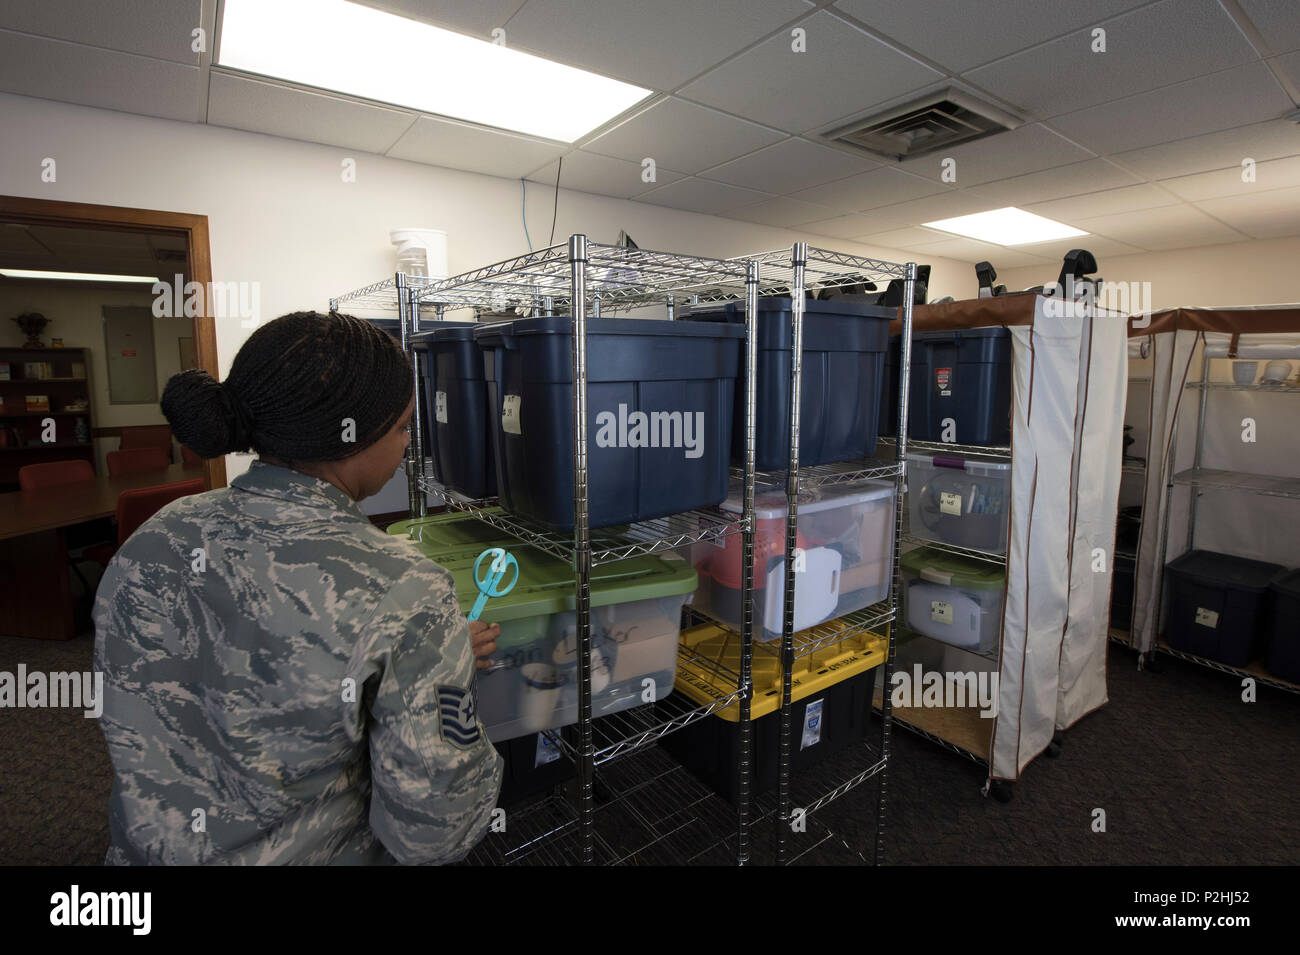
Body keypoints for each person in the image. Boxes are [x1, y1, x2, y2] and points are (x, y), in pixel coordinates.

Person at [93, 311, 503, 865]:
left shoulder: (156, 535)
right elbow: (434, 832)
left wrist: (427, 660)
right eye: (405, 426)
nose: (407, 444)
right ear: (356, 435)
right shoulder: (404, 586)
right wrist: (432, 673)